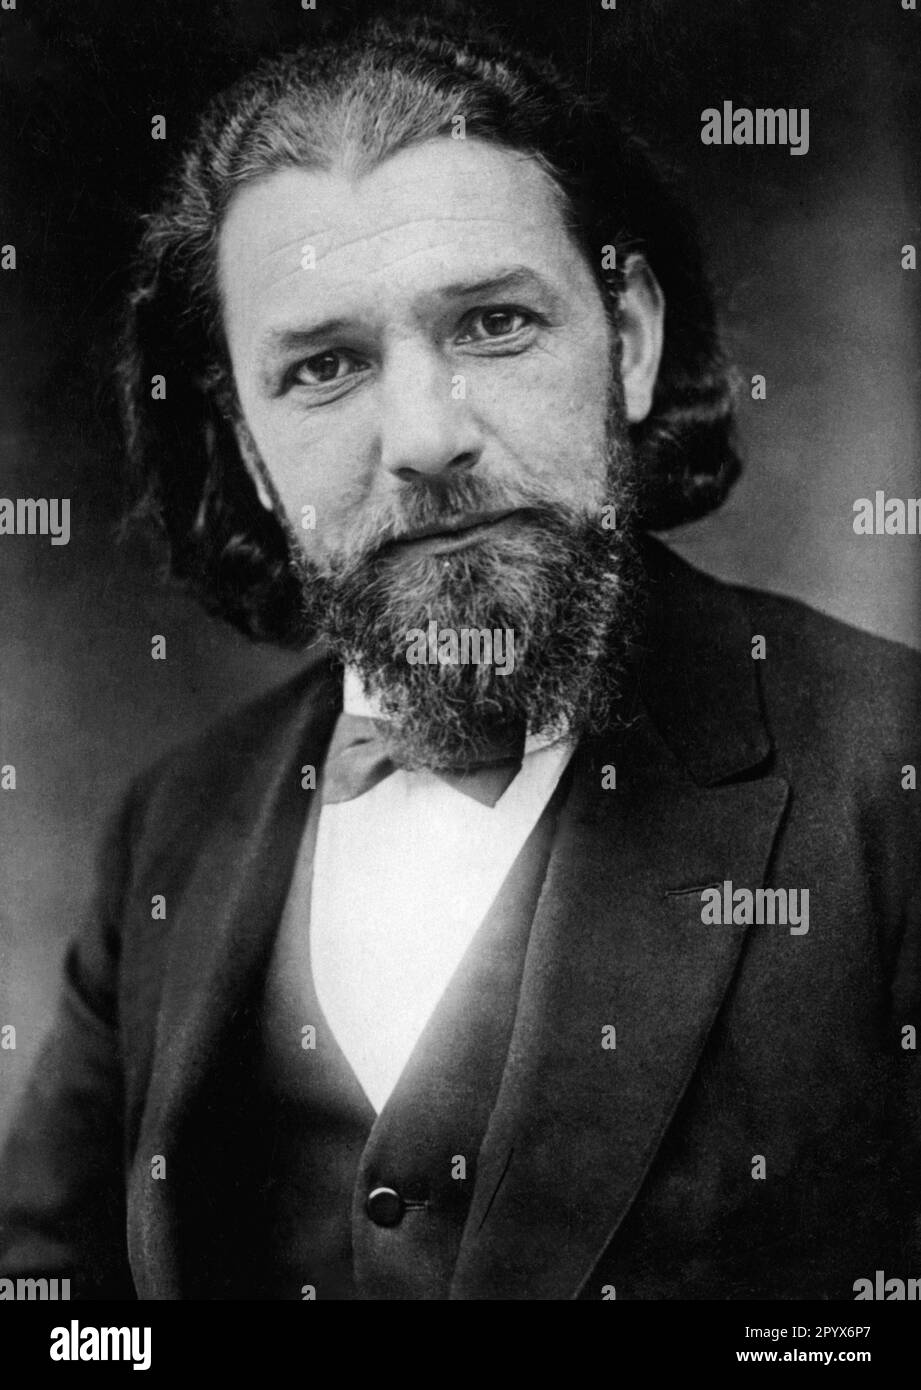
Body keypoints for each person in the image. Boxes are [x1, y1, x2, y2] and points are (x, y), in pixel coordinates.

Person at [1, 18, 918, 1302]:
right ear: (255, 456)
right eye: (324, 367)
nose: (426, 438)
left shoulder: (891, 777)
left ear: (632, 340)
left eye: (492, 324)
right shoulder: (174, 826)